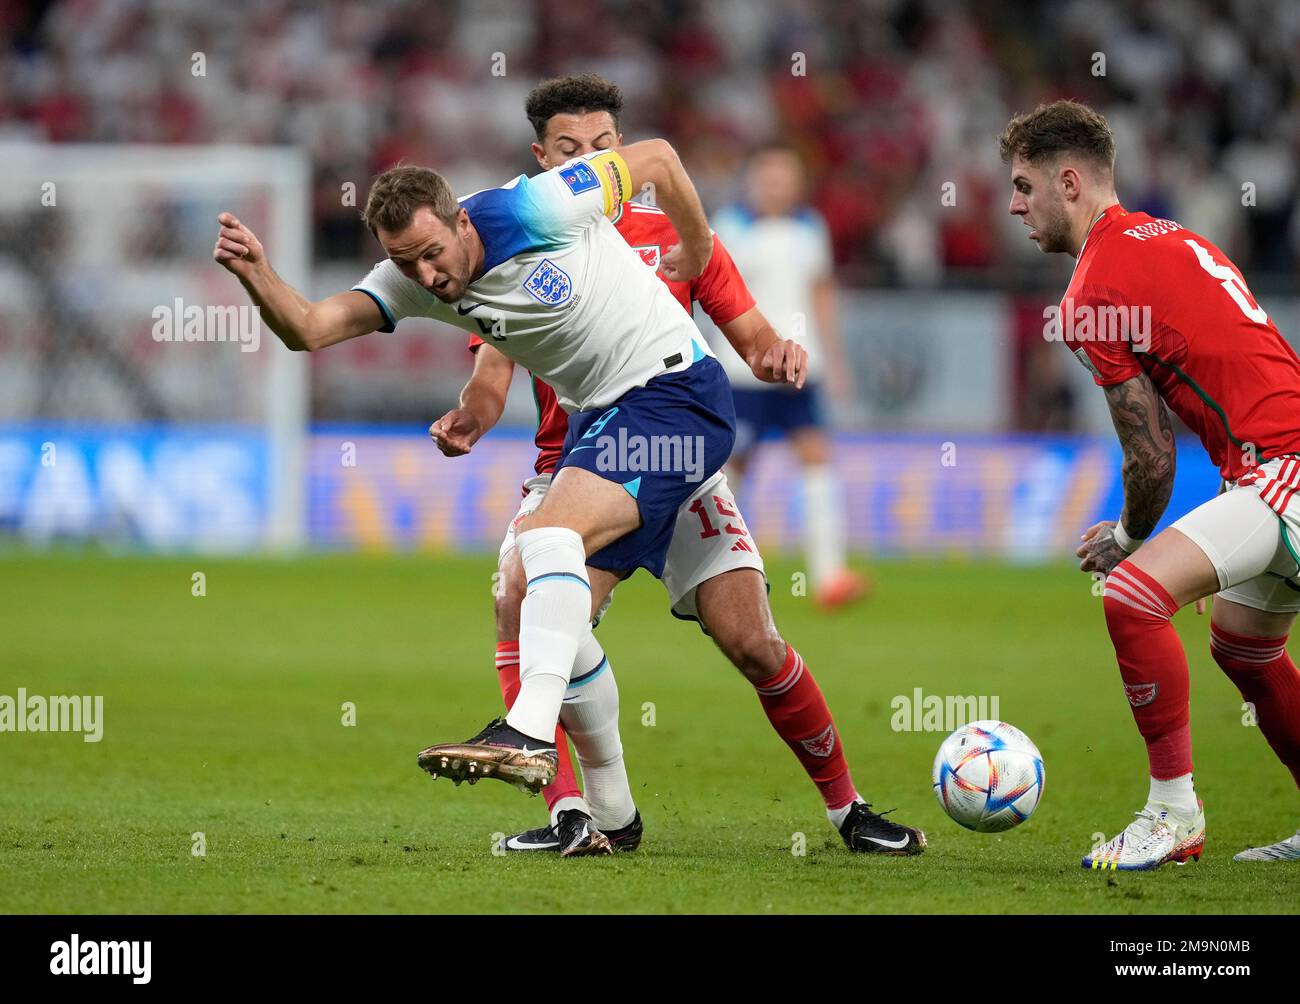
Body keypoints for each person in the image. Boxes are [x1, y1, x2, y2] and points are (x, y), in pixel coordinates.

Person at [213, 123, 925, 857]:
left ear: (462, 222)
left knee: (549, 543)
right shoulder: (416, 278)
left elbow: (659, 159)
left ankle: (534, 733)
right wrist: (257, 273)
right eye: (405, 262)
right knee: (653, 625)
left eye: (431, 254)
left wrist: (701, 246)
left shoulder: (535, 208)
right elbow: (310, 326)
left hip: (676, 399)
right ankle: (608, 816)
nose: (425, 275)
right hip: (608, 434)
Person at [429, 73, 925, 857]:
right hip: (573, 472)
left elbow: (755, 341)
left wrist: (782, 355)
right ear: (539, 158)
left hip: (677, 461)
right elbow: (491, 381)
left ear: (619, 151)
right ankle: (580, 814)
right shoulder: (514, 248)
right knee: (525, 605)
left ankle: (849, 811)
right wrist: (470, 417)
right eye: (567, 152)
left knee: (754, 641)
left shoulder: (678, 237)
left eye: (600, 147)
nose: (585, 162)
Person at [1001, 99, 1300, 870]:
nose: (1013, 206)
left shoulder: (1095, 289)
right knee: (1243, 648)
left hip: (1286, 468)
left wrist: (1129, 538)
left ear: (1069, 182)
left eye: (1024, 186)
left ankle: (1173, 816)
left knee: (1134, 597)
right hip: (1271, 470)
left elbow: (1152, 457)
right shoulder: (1171, 235)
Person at [708, 143, 867, 610]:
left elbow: (821, 294)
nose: (776, 184)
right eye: (768, 175)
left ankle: (829, 576)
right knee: (731, 470)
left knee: (816, 458)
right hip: (743, 369)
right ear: (752, 180)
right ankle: (712, 571)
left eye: (785, 176)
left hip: (802, 366)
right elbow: (715, 297)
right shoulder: (729, 226)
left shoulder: (809, 228)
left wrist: (834, 359)